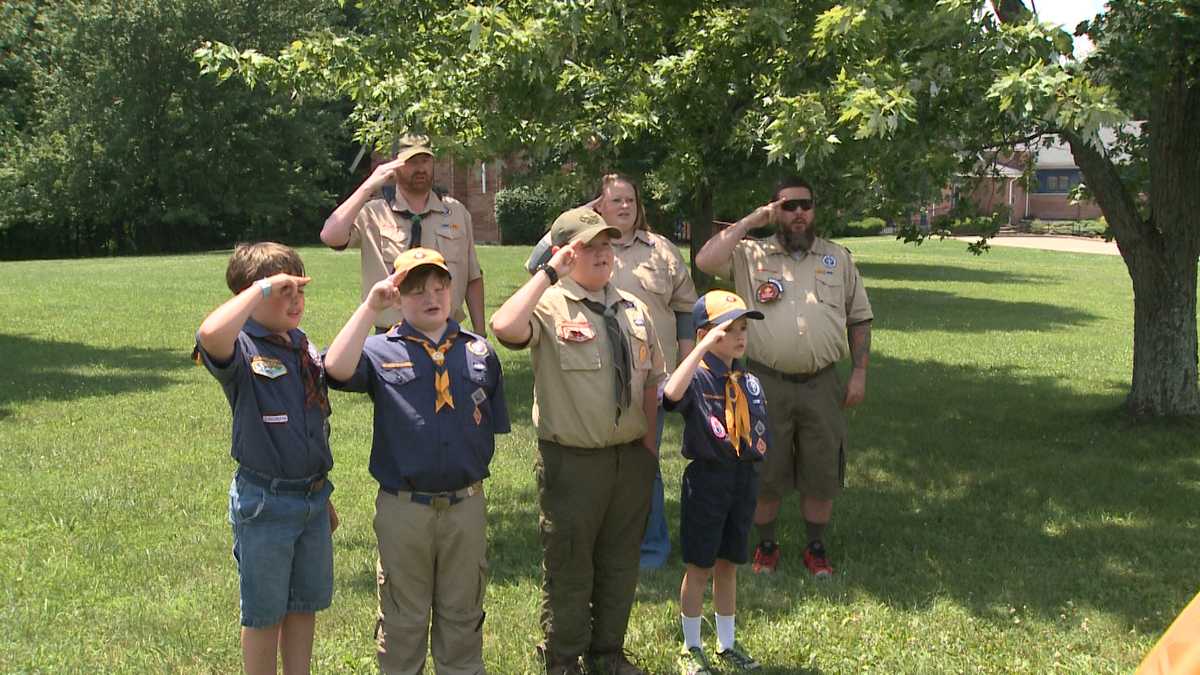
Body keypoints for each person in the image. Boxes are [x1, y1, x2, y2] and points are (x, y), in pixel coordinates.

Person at [492, 207, 667, 675]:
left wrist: (647, 451)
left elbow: (651, 384)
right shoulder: (548, 307)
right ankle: (564, 656)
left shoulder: (634, 309)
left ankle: (608, 652)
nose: (602, 254)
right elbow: (504, 327)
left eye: (607, 245)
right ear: (565, 253)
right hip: (572, 462)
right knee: (570, 564)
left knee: (619, 562)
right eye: (588, 246)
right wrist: (549, 273)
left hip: (628, 458)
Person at [323, 247, 510, 674]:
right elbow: (334, 368)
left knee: (464, 612)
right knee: (403, 618)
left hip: (466, 505)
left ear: (452, 289)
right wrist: (371, 307)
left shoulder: (480, 353)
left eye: (440, 286)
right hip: (404, 508)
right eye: (416, 289)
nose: (431, 296)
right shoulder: (378, 349)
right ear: (398, 296)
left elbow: (488, 427)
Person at [695, 176, 873, 578]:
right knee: (765, 469)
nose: (797, 213)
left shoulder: (837, 258)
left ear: (814, 210)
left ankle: (815, 547)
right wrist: (751, 220)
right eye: (787, 206)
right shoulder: (749, 255)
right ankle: (767, 546)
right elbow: (705, 262)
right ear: (774, 210)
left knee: (821, 469)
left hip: (822, 382)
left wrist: (859, 372)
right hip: (763, 380)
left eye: (804, 205)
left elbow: (859, 317)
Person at [525, 174, 698, 569]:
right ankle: (605, 548)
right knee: (603, 471)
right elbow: (537, 264)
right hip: (589, 374)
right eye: (614, 200)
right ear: (598, 206)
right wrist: (580, 221)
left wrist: (688, 363)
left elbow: (686, 307)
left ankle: (651, 549)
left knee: (646, 464)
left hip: (648, 373)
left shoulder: (662, 250)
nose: (624, 207)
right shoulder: (577, 249)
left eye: (630, 200)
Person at [193, 242, 336, 675]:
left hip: (310, 498)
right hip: (265, 503)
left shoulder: (300, 345)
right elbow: (208, 334)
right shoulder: (239, 348)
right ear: (248, 298)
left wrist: (322, 495)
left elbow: (312, 427)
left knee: (303, 604)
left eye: (300, 289)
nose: (295, 299)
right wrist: (260, 289)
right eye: (284, 291)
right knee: (264, 612)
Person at [664, 291, 768, 674]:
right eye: (730, 330)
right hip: (707, 481)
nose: (740, 337)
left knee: (730, 563)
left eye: (744, 328)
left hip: (742, 479)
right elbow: (670, 395)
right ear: (707, 333)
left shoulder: (748, 381)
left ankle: (727, 643)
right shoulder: (695, 377)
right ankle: (691, 645)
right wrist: (700, 347)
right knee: (700, 565)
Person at [320, 134, 486, 335]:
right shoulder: (373, 213)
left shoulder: (456, 212)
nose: (420, 168)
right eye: (411, 162)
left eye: (425, 160)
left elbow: (473, 277)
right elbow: (330, 235)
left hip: (446, 333)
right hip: (391, 337)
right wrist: (369, 186)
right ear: (394, 166)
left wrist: (480, 332)